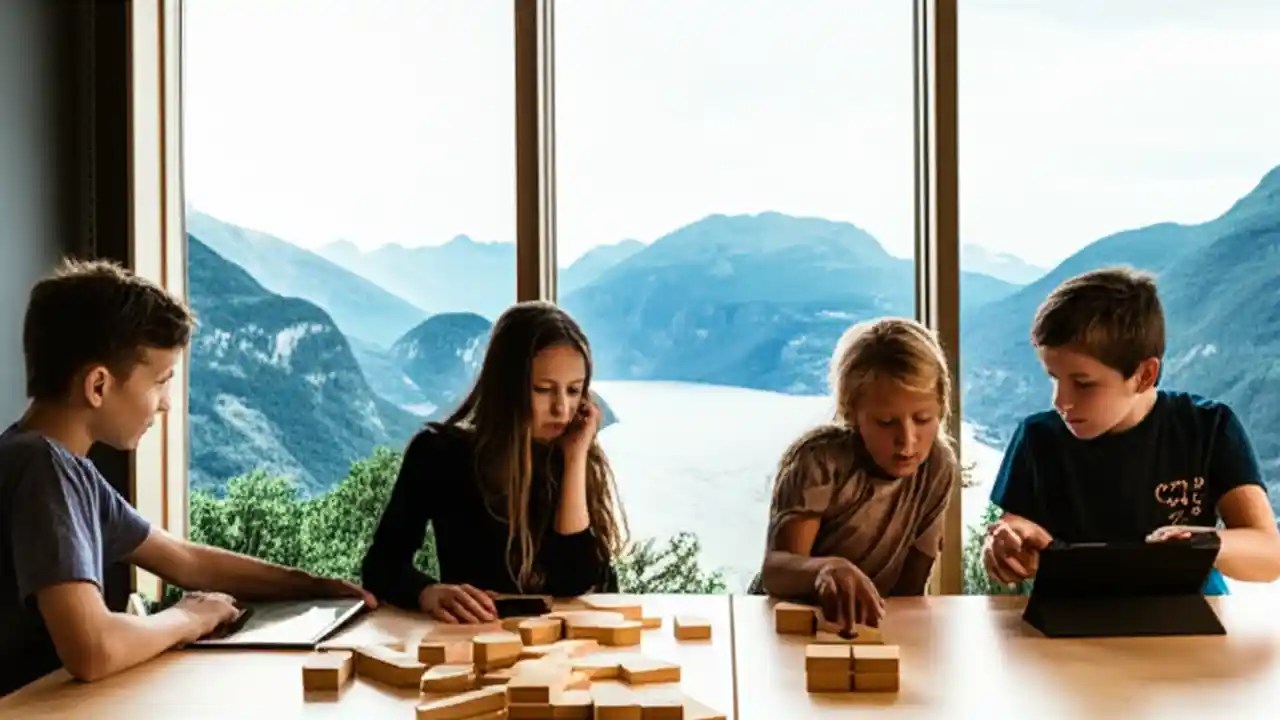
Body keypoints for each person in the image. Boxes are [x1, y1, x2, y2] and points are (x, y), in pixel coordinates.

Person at [0, 259, 374, 697]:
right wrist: (189, 617)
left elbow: (184, 560)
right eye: (159, 382)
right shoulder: (42, 469)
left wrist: (315, 587)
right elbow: (93, 648)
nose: (165, 404)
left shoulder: (60, 466)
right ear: (98, 386)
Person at [983, 267, 1280, 593]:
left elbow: (1269, 556)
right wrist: (1008, 546)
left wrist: (1202, 544)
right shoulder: (1037, 438)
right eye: (1054, 378)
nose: (1060, 401)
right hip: (1074, 615)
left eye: (1083, 384)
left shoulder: (1207, 427)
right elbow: (1015, 528)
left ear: (1144, 375)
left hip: (1187, 614)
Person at [362, 301, 627, 623]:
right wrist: (427, 591)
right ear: (508, 387)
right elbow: (381, 566)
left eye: (574, 390)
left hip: (565, 651)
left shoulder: (574, 449)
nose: (562, 409)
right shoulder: (439, 454)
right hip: (471, 644)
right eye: (543, 390)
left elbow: (577, 583)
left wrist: (574, 460)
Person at [753, 317, 958, 630]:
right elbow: (776, 572)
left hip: (861, 627)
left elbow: (910, 593)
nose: (907, 440)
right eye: (886, 422)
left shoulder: (937, 466)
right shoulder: (820, 462)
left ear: (941, 408)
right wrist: (826, 570)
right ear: (852, 412)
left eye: (923, 419)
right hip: (787, 623)